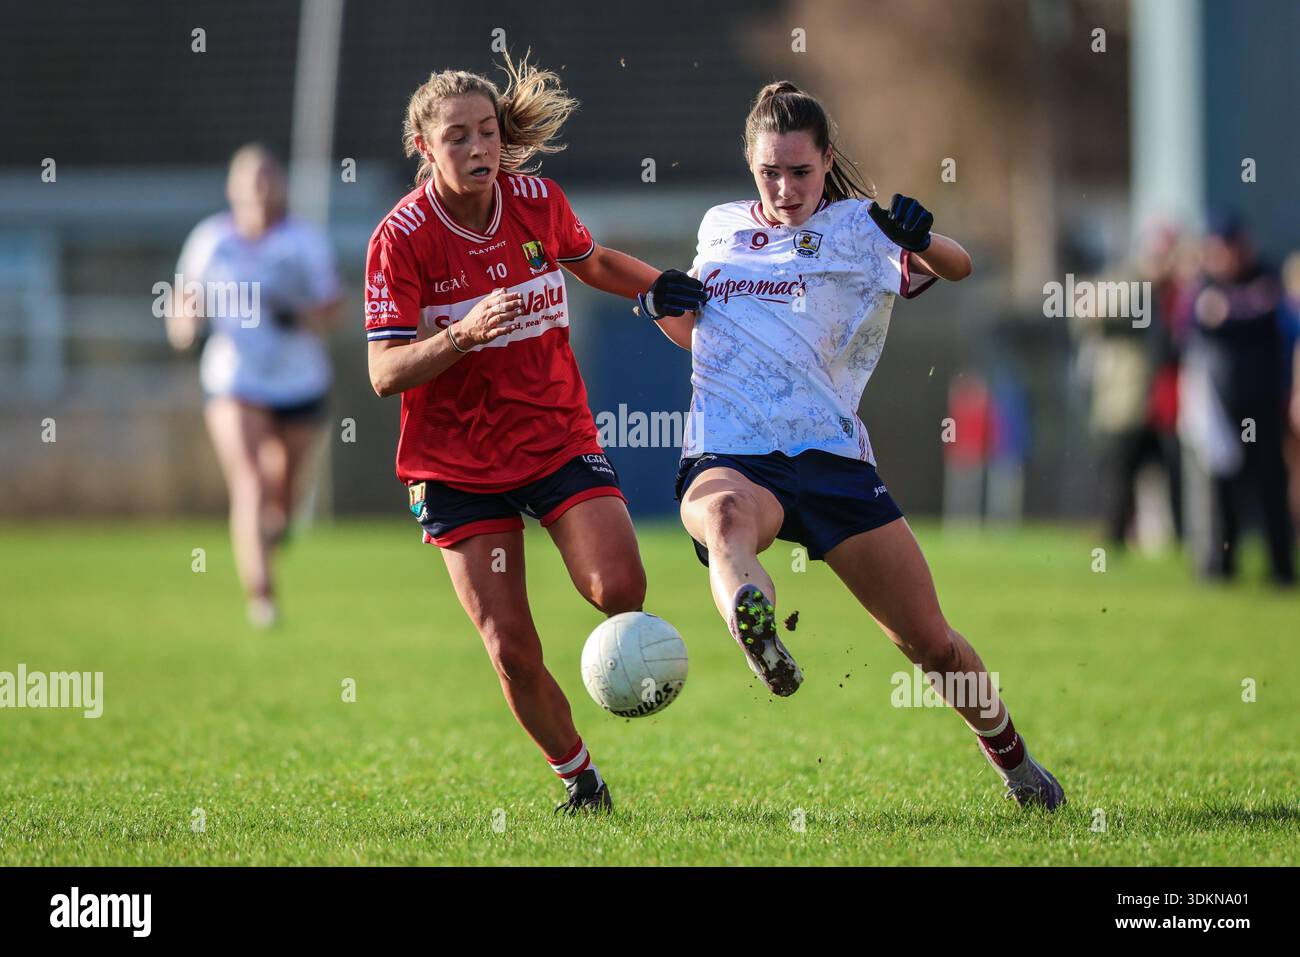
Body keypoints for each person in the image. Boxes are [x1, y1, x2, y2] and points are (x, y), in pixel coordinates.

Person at [647, 81, 1065, 810]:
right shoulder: (718, 227)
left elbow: (959, 267)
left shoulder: (858, 228)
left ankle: (1019, 765)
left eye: (800, 171)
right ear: (750, 163)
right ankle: (757, 627)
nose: (783, 188)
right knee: (723, 524)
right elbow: (701, 333)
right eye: (769, 171)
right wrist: (661, 311)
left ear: (827, 160)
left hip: (833, 459)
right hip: (734, 450)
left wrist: (919, 236)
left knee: (930, 644)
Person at [363, 54, 706, 815]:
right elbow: (383, 373)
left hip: (553, 434)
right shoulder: (402, 238)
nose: (478, 148)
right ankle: (581, 780)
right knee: (511, 648)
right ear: (425, 147)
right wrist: (460, 336)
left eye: (487, 132)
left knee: (622, 588)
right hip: (455, 465)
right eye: (457, 137)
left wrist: (657, 286)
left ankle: (619, 673)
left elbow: (594, 262)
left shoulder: (536, 200)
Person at [167, 144, 343, 629]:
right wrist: (183, 325)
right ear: (233, 188)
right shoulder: (211, 240)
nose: (260, 187)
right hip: (234, 378)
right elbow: (184, 299)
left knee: (282, 494)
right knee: (248, 480)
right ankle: (262, 597)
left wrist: (301, 313)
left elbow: (335, 307)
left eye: (268, 177)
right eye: (250, 178)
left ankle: (275, 532)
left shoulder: (303, 242)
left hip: (299, 379)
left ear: (280, 185)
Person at [1178, 215, 1295, 585]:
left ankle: (1281, 568)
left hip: (1261, 405)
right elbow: (1193, 323)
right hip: (1219, 406)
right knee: (1218, 490)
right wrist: (1242, 308)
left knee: (1269, 485)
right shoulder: (1203, 285)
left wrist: (1233, 309)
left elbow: (1267, 312)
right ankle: (1219, 566)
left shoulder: (1266, 274)